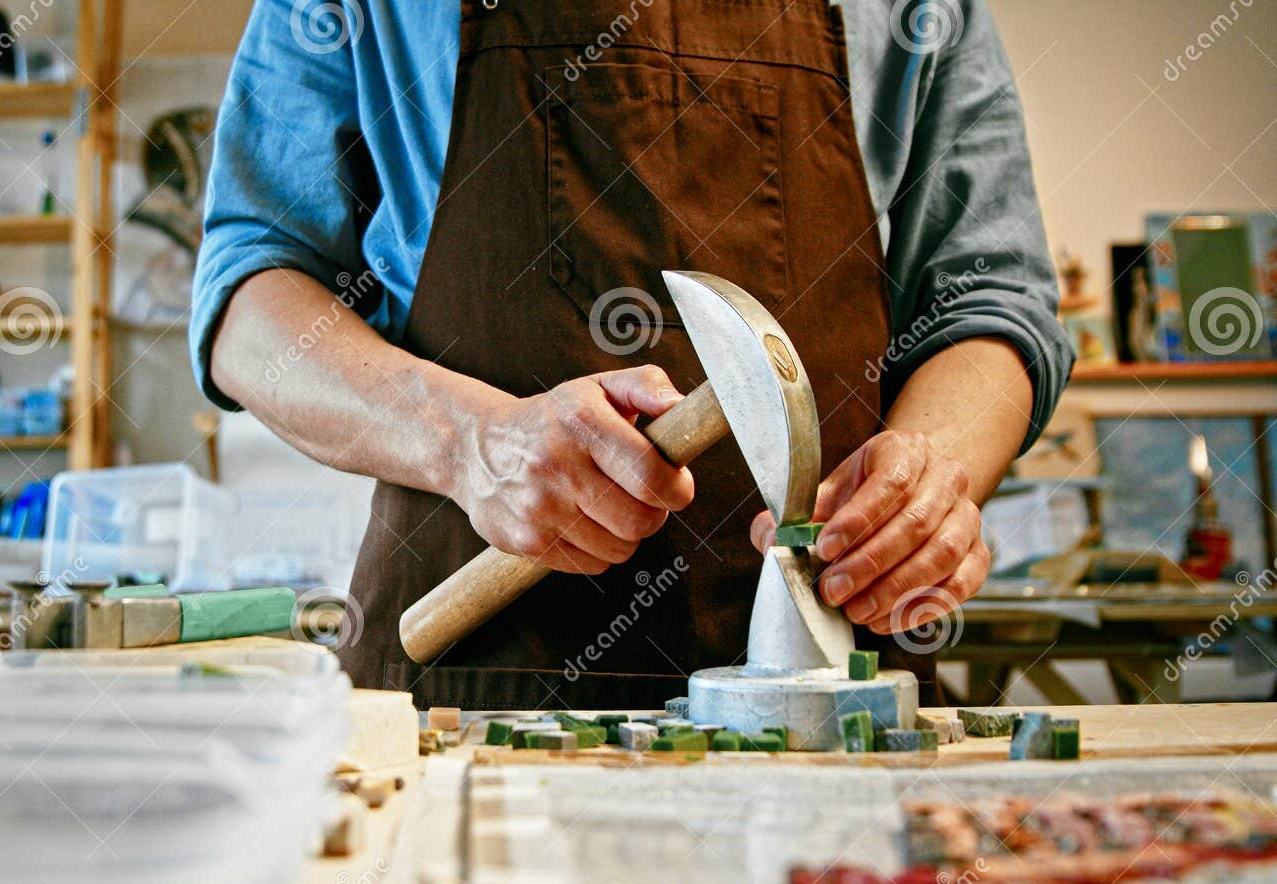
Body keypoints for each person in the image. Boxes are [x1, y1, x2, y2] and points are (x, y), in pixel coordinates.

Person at [190, 0, 1072, 710]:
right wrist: (468, 442)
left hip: (829, 691)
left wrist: (931, 479)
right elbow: (248, 296)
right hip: (473, 695)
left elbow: (991, 298)